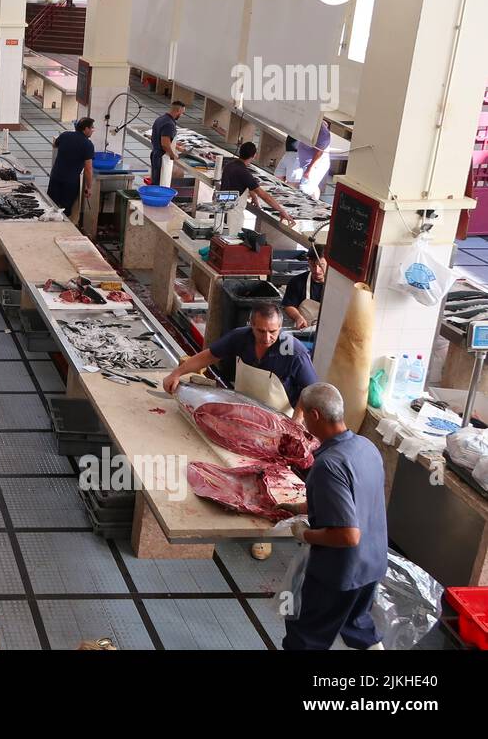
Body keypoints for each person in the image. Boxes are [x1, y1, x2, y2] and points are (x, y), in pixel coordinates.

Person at [279, 383, 388, 651]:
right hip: (372, 564)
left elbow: (348, 535)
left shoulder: (328, 465)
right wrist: (301, 508)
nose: (302, 421)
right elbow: (356, 500)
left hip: (339, 572)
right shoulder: (365, 447)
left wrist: (304, 534)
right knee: (357, 623)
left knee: (305, 636)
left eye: (304, 415)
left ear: (315, 415)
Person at [162, 302, 319, 410]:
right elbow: (208, 357)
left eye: (273, 332)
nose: (266, 338)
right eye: (261, 331)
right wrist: (176, 374)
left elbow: (311, 391)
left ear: (280, 327)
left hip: (280, 419)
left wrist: (296, 423)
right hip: (243, 407)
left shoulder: (294, 351)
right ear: (251, 325)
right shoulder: (240, 337)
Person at [219, 142, 296, 225]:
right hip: (232, 212)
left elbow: (244, 183)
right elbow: (264, 196)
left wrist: (253, 196)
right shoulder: (244, 172)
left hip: (222, 205)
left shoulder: (230, 165)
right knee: (230, 235)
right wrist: (282, 211)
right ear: (254, 155)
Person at [47, 117, 96, 216]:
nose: (93, 130)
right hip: (70, 182)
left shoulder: (65, 135)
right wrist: (89, 187)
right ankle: (63, 229)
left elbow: (54, 145)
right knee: (65, 210)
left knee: (51, 206)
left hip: (55, 177)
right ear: (85, 129)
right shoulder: (88, 144)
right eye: (91, 128)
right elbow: (88, 169)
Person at [283, 250, 327, 330]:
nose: (317, 270)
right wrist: (298, 317)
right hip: (304, 329)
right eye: (313, 265)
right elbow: (289, 305)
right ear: (308, 262)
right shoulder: (297, 282)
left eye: (321, 265)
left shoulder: (336, 286)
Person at [150, 101, 186, 184]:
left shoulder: (161, 119)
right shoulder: (169, 124)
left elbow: (159, 138)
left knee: (155, 180)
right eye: (182, 113)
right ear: (177, 111)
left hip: (155, 154)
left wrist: (176, 146)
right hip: (162, 157)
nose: (182, 115)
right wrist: (173, 155)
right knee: (161, 183)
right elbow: (165, 144)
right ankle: (158, 197)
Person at [298, 119, 332, 200]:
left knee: (304, 190)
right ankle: (316, 204)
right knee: (313, 187)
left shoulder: (323, 134)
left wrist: (309, 170)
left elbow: (319, 153)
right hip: (306, 163)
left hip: (315, 165)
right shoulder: (311, 125)